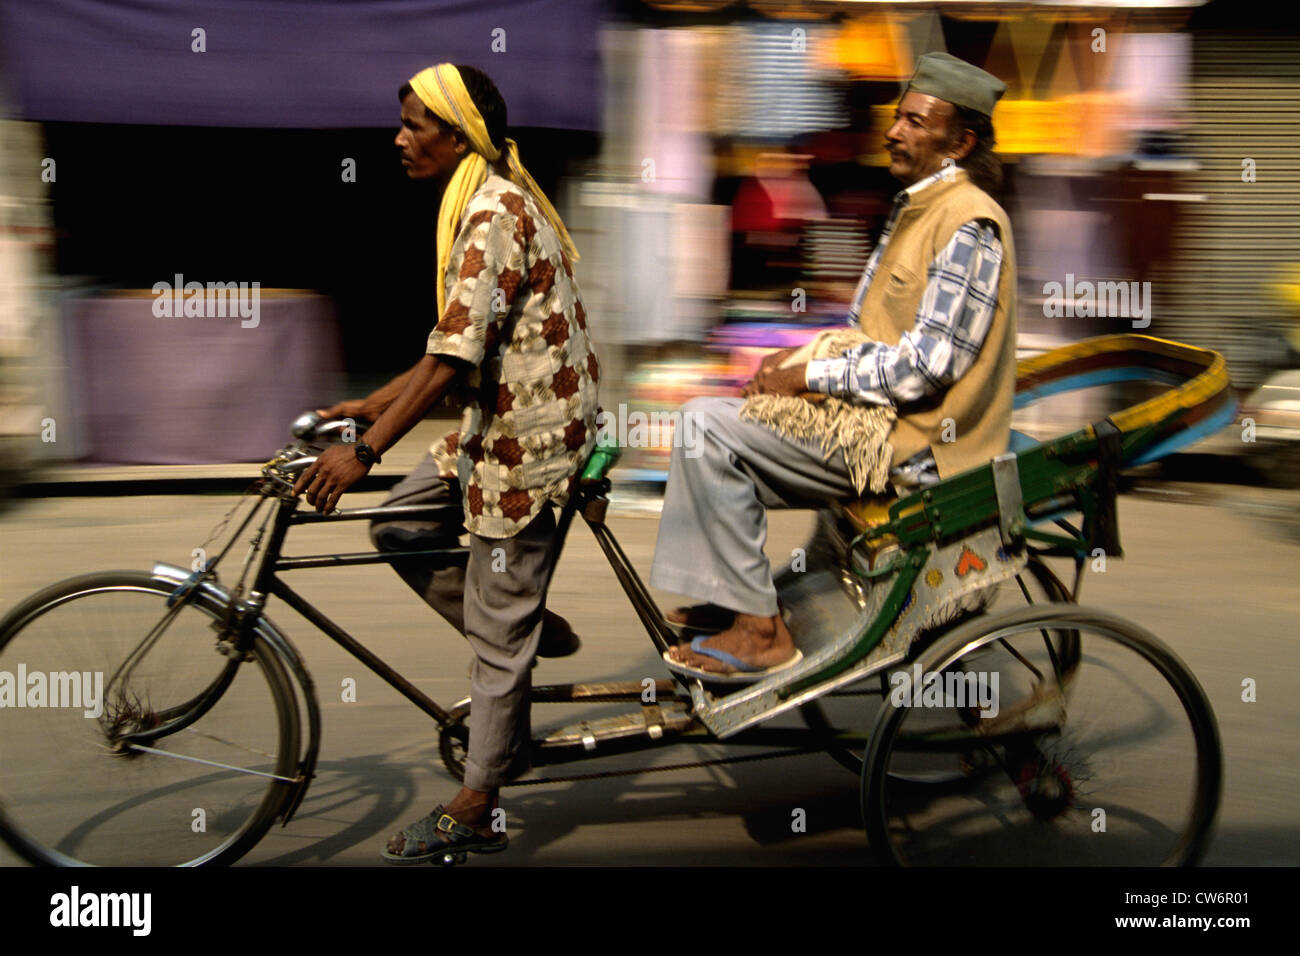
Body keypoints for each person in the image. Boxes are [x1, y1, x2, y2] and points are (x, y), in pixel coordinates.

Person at [294, 63, 599, 861]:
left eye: (412, 126)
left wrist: (365, 449)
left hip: (532, 438)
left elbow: (452, 361)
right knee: (400, 522)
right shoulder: (481, 195)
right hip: (494, 420)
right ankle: (525, 634)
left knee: (495, 631)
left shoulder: (492, 208)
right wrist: (374, 402)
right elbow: (455, 346)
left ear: (455, 135)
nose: (398, 139)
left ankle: (477, 805)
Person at [651, 52, 1017, 681]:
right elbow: (865, 334)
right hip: (875, 424)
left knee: (707, 430)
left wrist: (806, 377)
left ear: (960, 142)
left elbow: (925, 368)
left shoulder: (969, 223)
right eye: (898, 117)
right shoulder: (918, 207)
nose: (894, 132)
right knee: (710, 416)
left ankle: (759, 630)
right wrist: (794, 359)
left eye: (915, 123)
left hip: (914, 447)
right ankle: (733, 596)